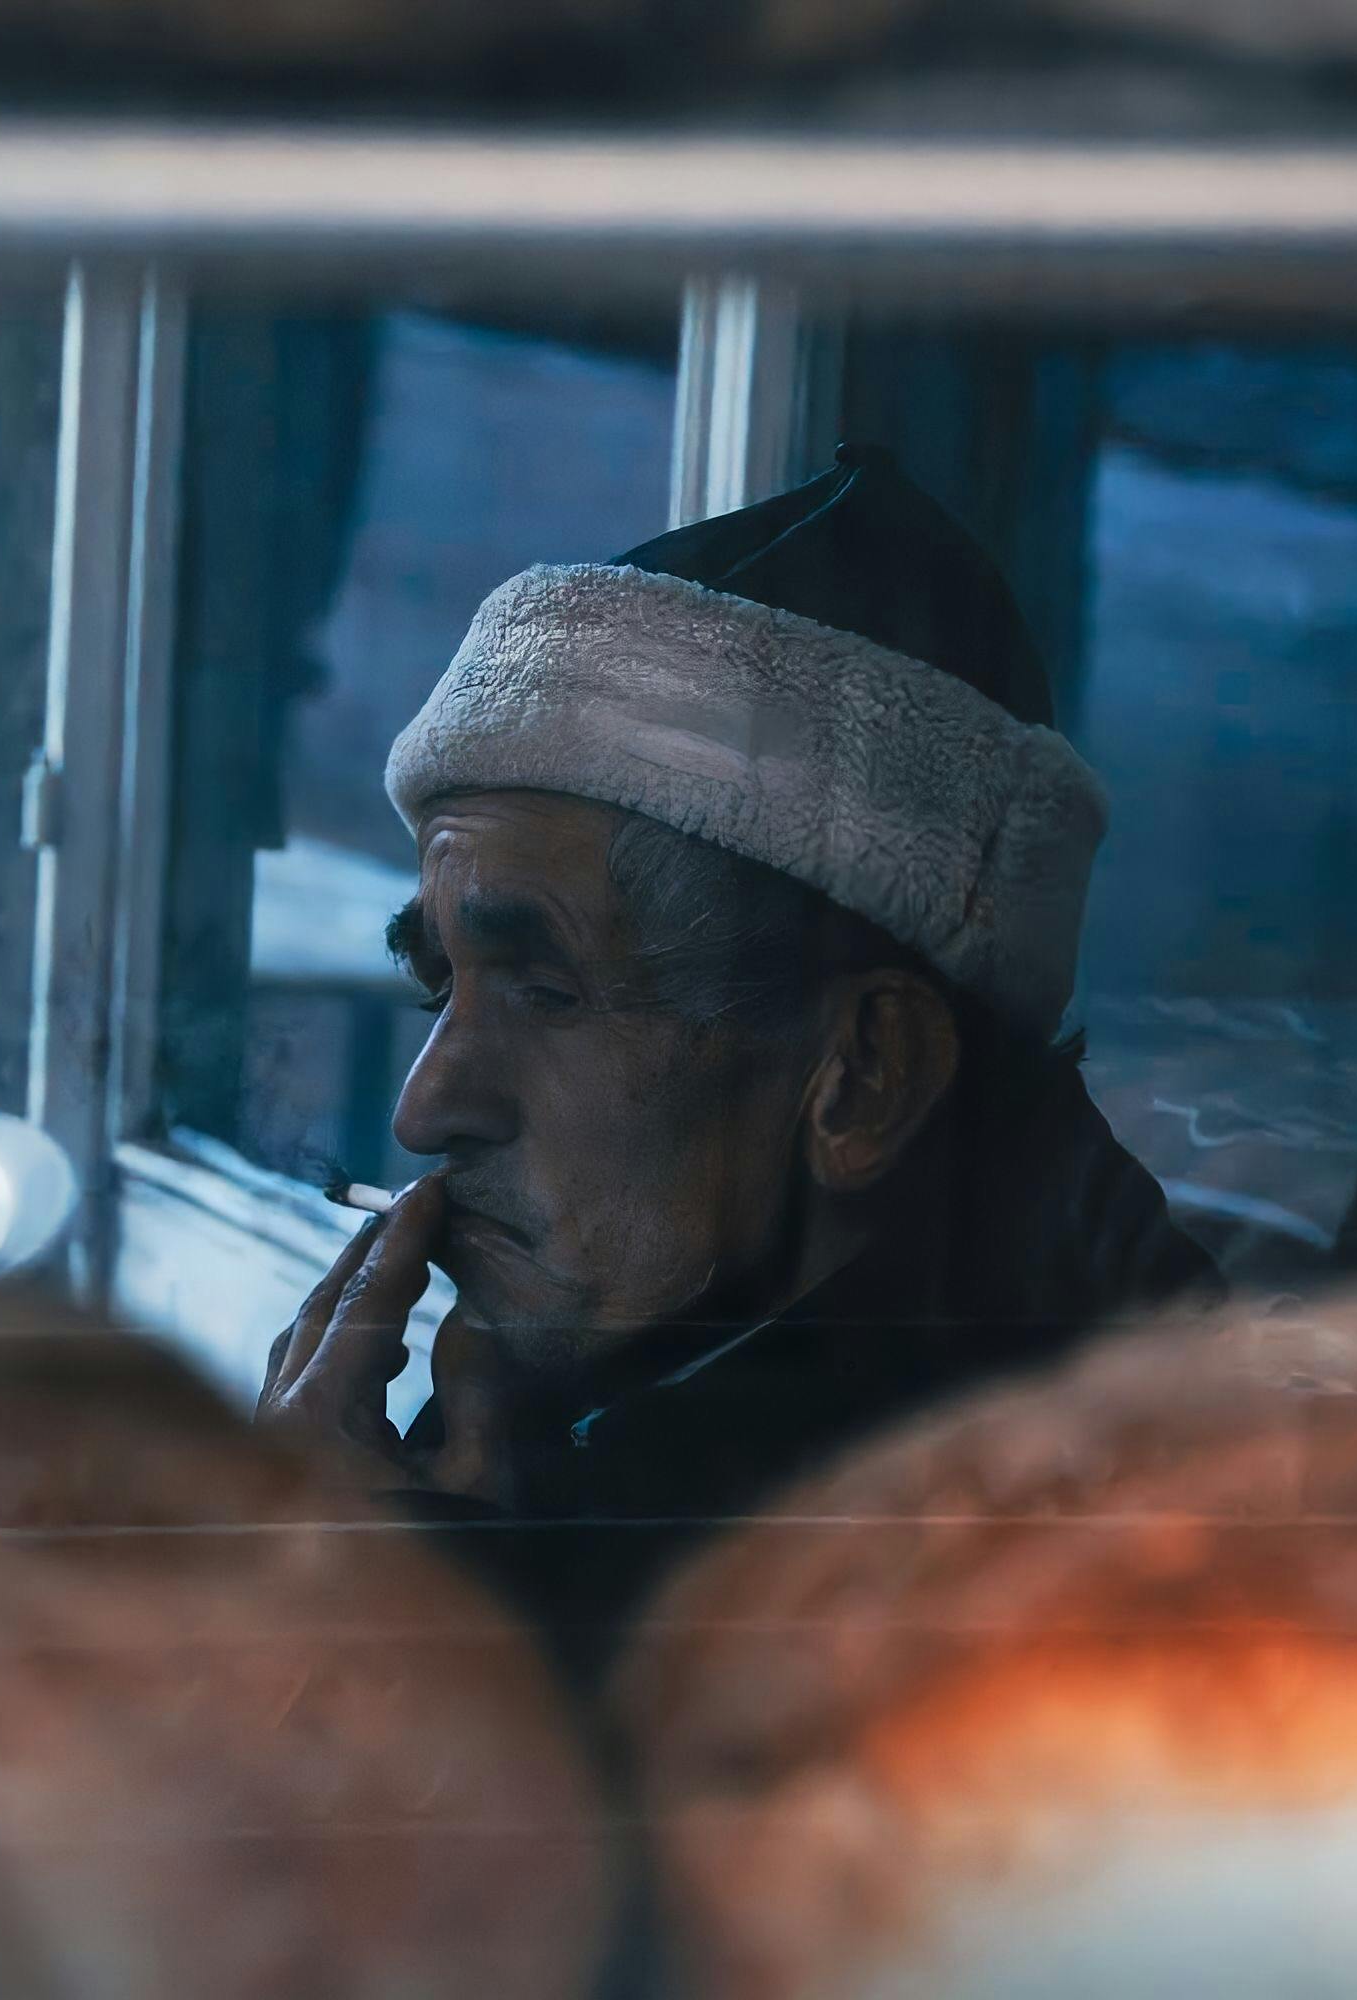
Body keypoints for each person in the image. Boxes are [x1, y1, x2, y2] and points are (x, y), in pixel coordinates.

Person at [257, 445, 1215, 1669]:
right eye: (441, 983)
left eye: (549, 992)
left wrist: (357, 1643)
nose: (426, 1104)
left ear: (862, 1076)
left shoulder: (1029, 1597)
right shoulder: (612, 1390)